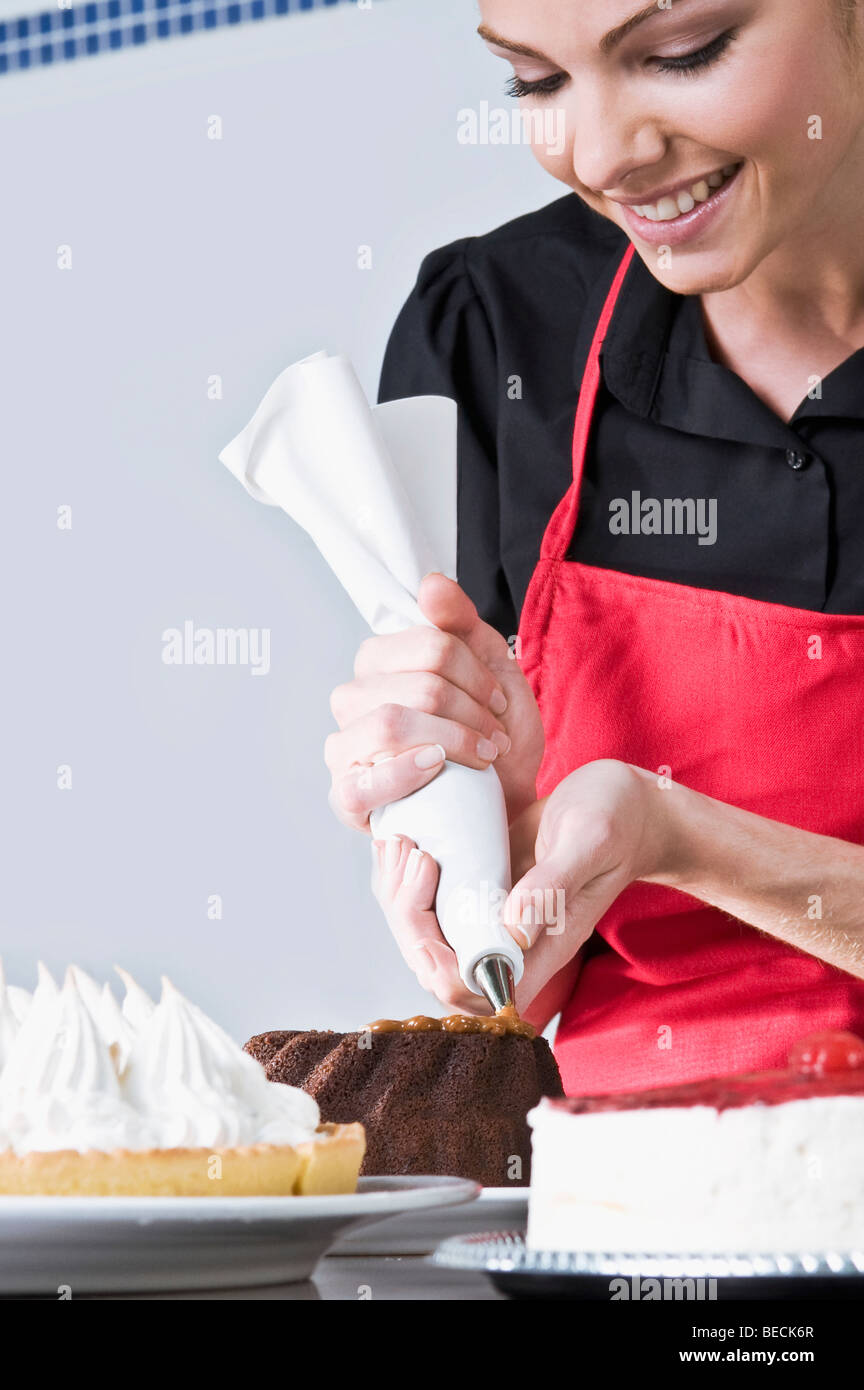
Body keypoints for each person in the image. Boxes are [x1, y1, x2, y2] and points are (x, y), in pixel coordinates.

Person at [326, 0, 864, 1094]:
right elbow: (517, 997)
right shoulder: (496, 334)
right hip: (631, 1209)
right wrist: (496, 847)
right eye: (537, 81)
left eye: (682, 55)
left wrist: (682, 838)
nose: (607, 153)